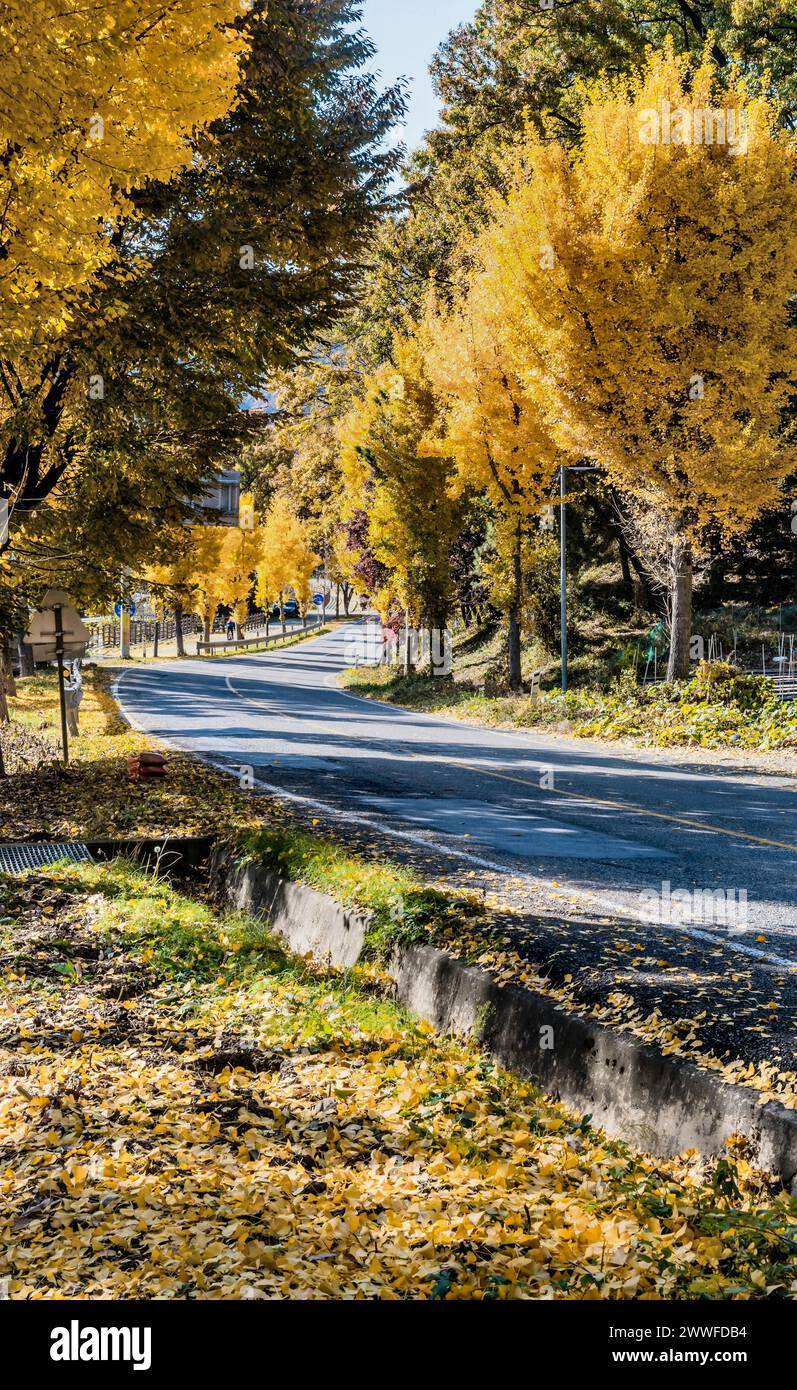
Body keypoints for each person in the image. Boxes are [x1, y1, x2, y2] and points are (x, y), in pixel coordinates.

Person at [64, 660, 83, 736]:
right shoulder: (65, 665)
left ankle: (73, 732)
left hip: (71, 689)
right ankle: (73, 733)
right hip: (69, 689)